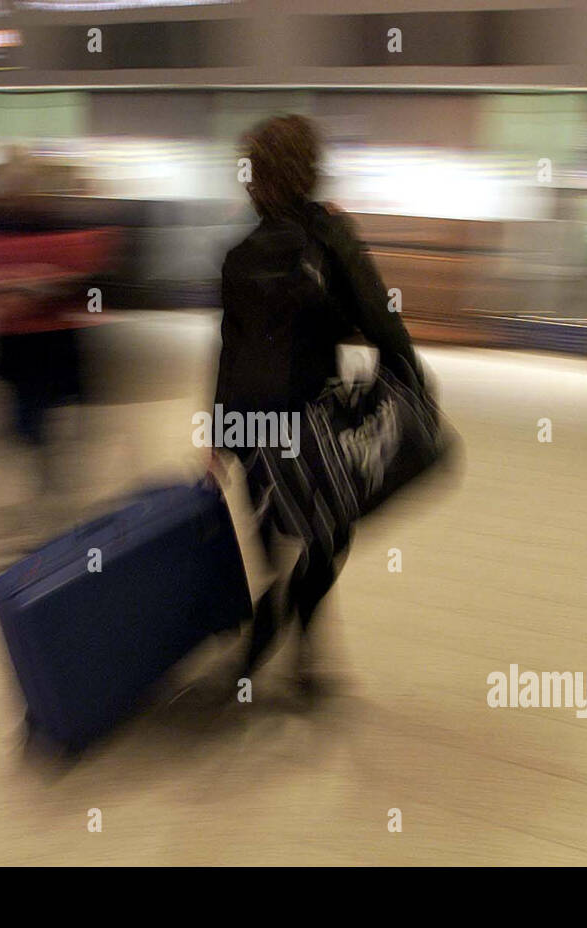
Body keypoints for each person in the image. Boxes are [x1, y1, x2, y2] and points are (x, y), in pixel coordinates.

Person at [212, 114, 421, 695]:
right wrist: (410, 382)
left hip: (254, 421)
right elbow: (380, 319)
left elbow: (231, 348)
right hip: (311, 418)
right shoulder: (333, 237)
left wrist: (220, 435)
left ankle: (275, 613)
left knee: (269, 528)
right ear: (309, 170)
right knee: (329, 533)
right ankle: (295, 631)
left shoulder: (238, 254)